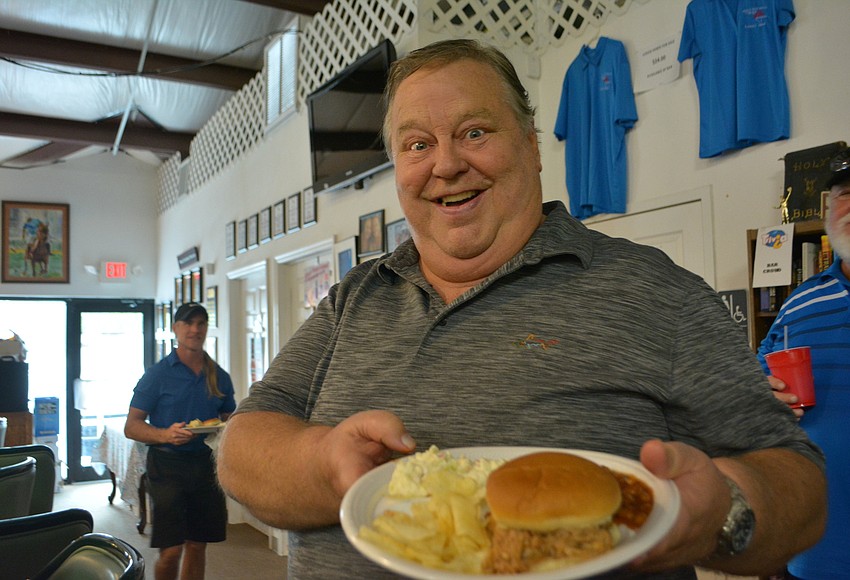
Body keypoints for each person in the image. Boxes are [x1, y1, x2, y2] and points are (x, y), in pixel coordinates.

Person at [216, 39, 826, 579]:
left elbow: (799, 483)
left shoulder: (652, 290)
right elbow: (244, 447)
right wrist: (325, 465)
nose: (447, 164)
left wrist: (725, 514)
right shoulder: (356, 296)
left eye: (475, 132)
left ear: (531, 147)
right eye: (417, 144)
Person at [759, 148, 850, 580]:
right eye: (844, 194)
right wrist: (768, 396)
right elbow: (756, 385)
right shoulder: (800, 302)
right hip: (816, 547)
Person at [125, 302, 235, 580]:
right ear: (175, 328)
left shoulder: (219, 376)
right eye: (188, 323)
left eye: (201, 324)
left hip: (206, 466)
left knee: (198, 544)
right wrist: (164, 434)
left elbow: (229, 417)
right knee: (171, 550)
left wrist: (228, 426)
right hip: (167, 466)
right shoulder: (158, 374)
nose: (195, 330)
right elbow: (132, 426)